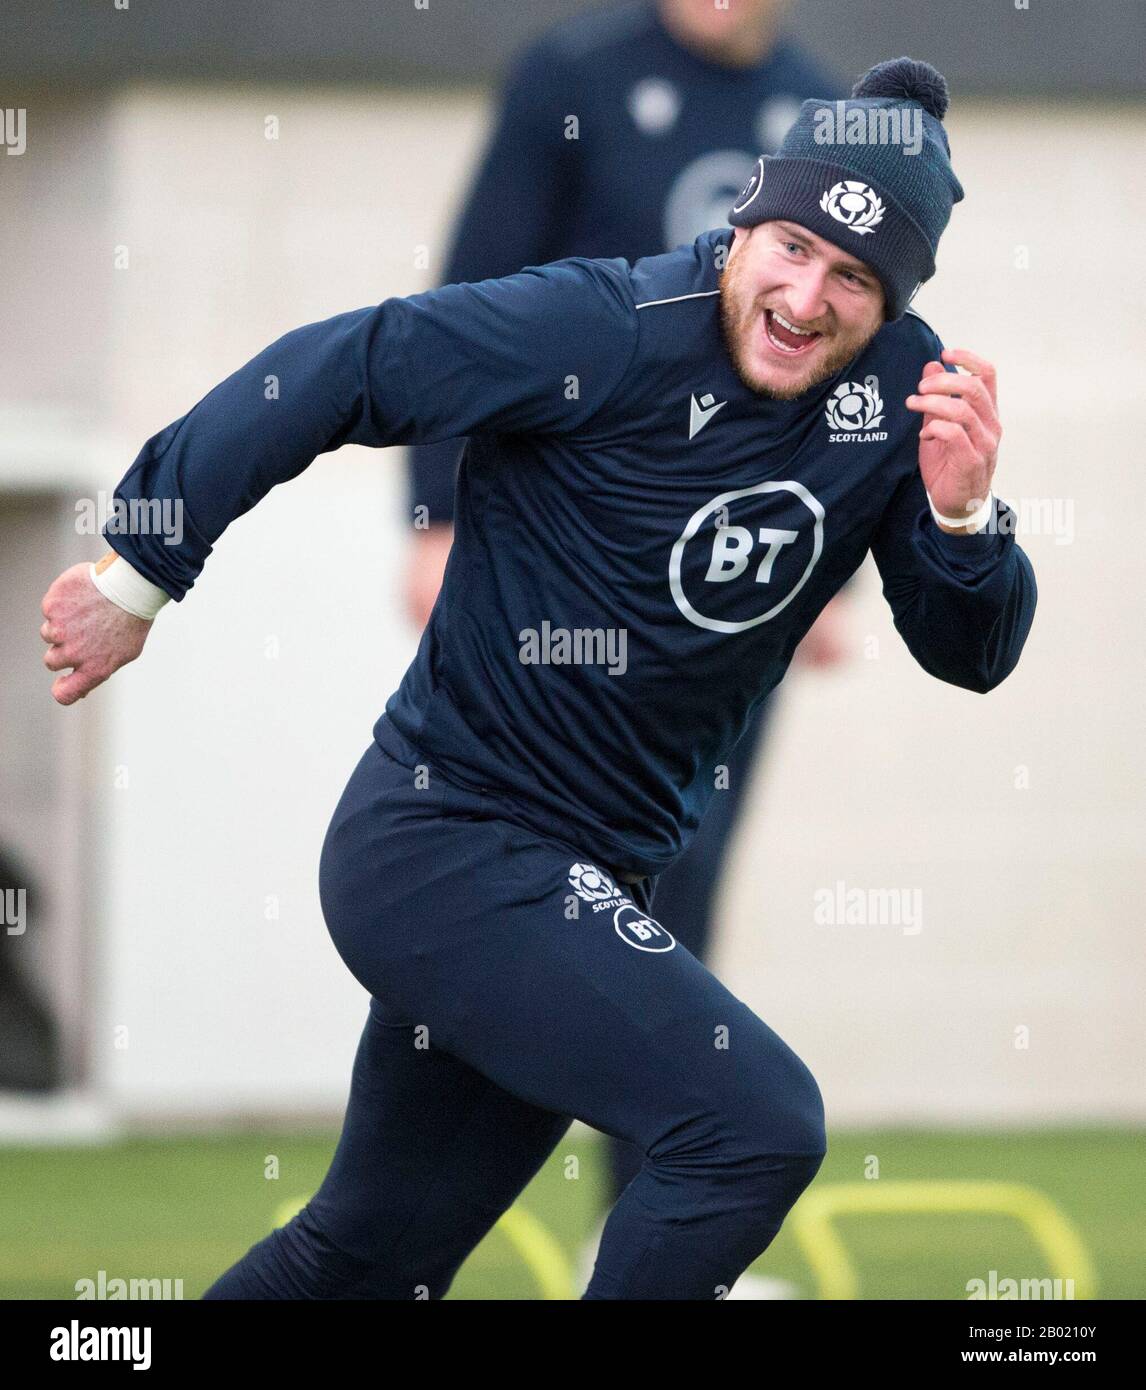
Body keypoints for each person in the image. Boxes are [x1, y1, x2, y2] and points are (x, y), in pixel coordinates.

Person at [40, 59, 1037, 1300]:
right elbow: (339, 364)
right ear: (744, 225)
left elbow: (971, 655)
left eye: (854, 278)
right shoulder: (604, 326)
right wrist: (141, 569)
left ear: (892, 305)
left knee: (370, 1259)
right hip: (441, 843)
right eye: (790, 246)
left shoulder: (901, 400)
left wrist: (966, 521)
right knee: (754, 1125)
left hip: (587, 878)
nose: (805, 294)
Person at [403, 0, 853, 1212]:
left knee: (680, 885)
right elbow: (473, 293)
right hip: (562, 564)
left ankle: (646, 1227)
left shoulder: (822, 118)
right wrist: (434, 512)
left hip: (724, 597)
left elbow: (851, 352)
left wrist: (828, 569)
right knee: (506, 864)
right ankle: (395, 1202)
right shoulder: (574, 74)